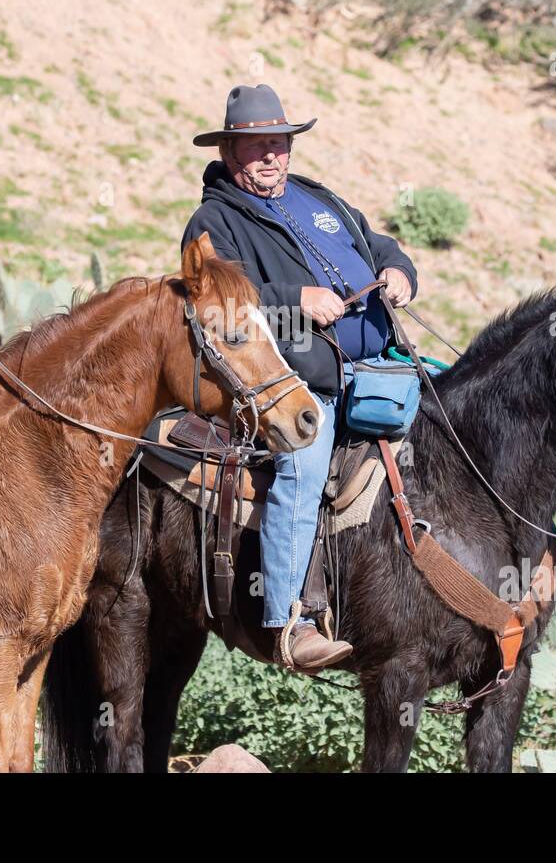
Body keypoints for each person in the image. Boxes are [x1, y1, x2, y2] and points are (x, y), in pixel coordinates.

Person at [182, 84, 418, 671]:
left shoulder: (319, 199)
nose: (271, 156)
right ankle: (291, 618)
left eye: (279, 144)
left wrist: (398, 269)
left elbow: (378, 241)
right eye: (257, 146)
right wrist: (297, 299)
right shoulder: (213, 222)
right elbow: (215, 307)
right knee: (304, 460)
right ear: (230, 152)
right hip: (290, 378)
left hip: (376, 368)